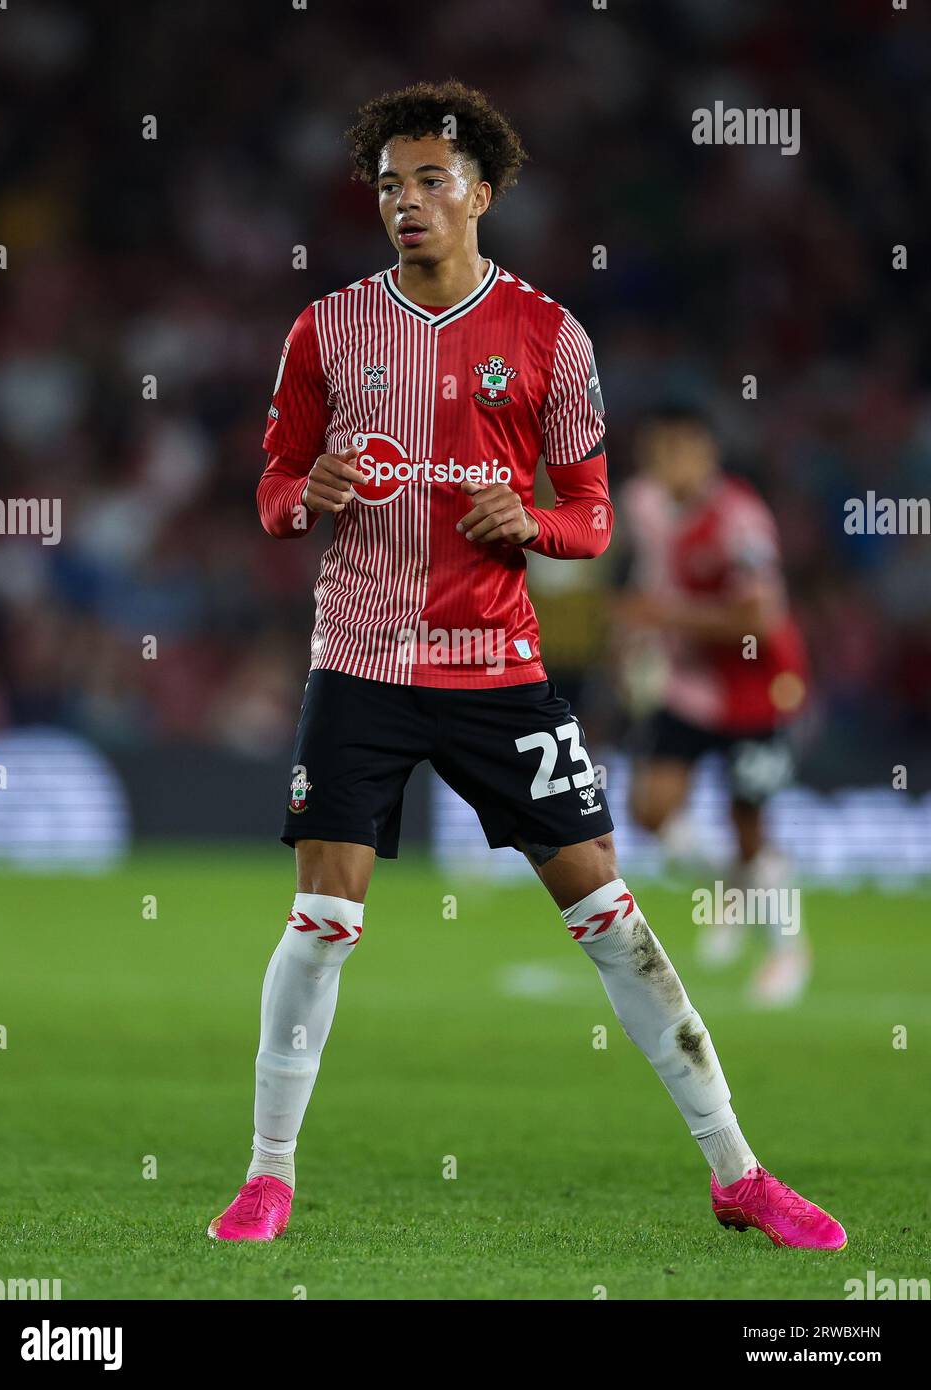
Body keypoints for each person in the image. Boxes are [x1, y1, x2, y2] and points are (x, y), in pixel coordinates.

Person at [208, 81, 844, 1251]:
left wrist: (531, 525)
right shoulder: (324, 331)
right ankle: (268, 1174)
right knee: (319, 919)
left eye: (430, 180)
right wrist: (308, 495)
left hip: (499, 670)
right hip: (361, 662)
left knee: (610, 915)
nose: (406, 201)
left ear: (482, 192)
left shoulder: (551, 336)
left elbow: (596, 518)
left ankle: (738, 1170)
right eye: (389, 183)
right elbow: (270, 493)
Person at [616, 403, 811, 1006]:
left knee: (749, 828)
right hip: (688, 683)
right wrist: (636, 645)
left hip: (756, 685)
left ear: (706, 454)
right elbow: (643, 585)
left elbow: (761, 616)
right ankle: (732, 887)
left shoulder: (740, 520)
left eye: (679, 450)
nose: (665, 464)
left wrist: (666, 616)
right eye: (657, 451)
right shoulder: (644, 505)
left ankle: (787, 952)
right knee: (649, 809)